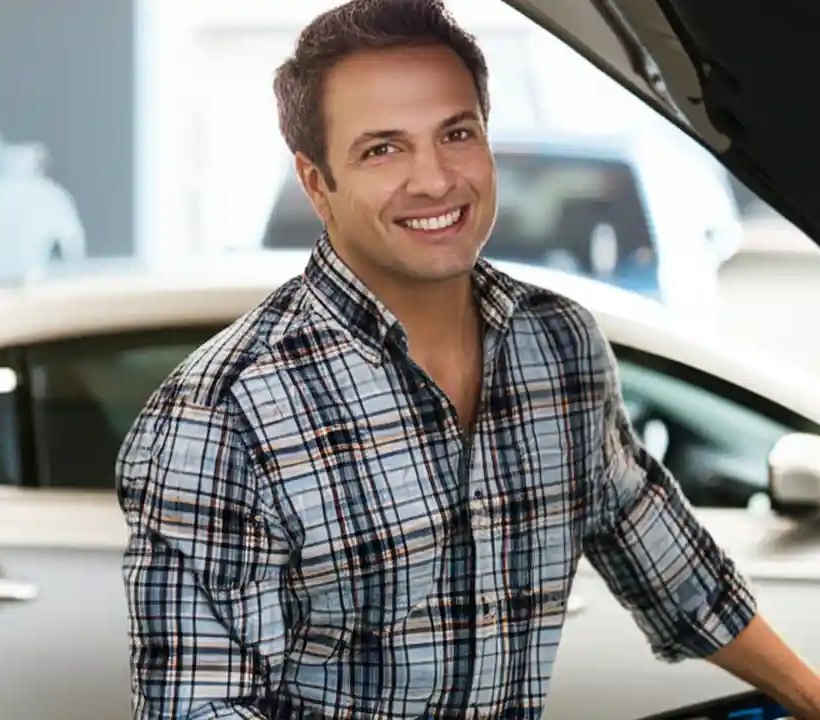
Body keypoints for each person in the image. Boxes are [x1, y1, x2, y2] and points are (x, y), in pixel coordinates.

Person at [115, 0, 820, 717]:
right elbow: (197, 708)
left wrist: (808, 695)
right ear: (316, 181)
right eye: (382, 149)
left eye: (456, 134)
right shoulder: (220, 415)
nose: (434, 180)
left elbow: (672, 569)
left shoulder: (558, 346)